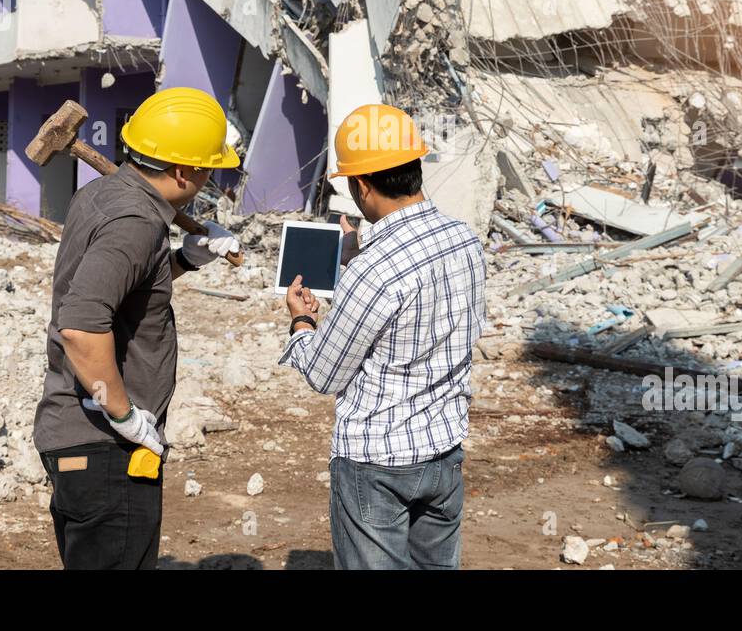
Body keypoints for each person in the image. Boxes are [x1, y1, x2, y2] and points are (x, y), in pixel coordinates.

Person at [32, 87, 241, 569]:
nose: (210, 179)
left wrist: (186, 259)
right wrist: (124, 415)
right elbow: (82, 327)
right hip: (105, 445)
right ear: (185, 172)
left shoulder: (104, 196)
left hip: (79, 440)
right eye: (210, 169)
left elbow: (126, 281)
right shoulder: (135, 220)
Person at [281, 104, 486, 569]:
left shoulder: (374, 270)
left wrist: (302, 323)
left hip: (376, 461)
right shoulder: (465, 241)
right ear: (414, 168)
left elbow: (322, 373)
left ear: (361, 185)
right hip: (444, 452)